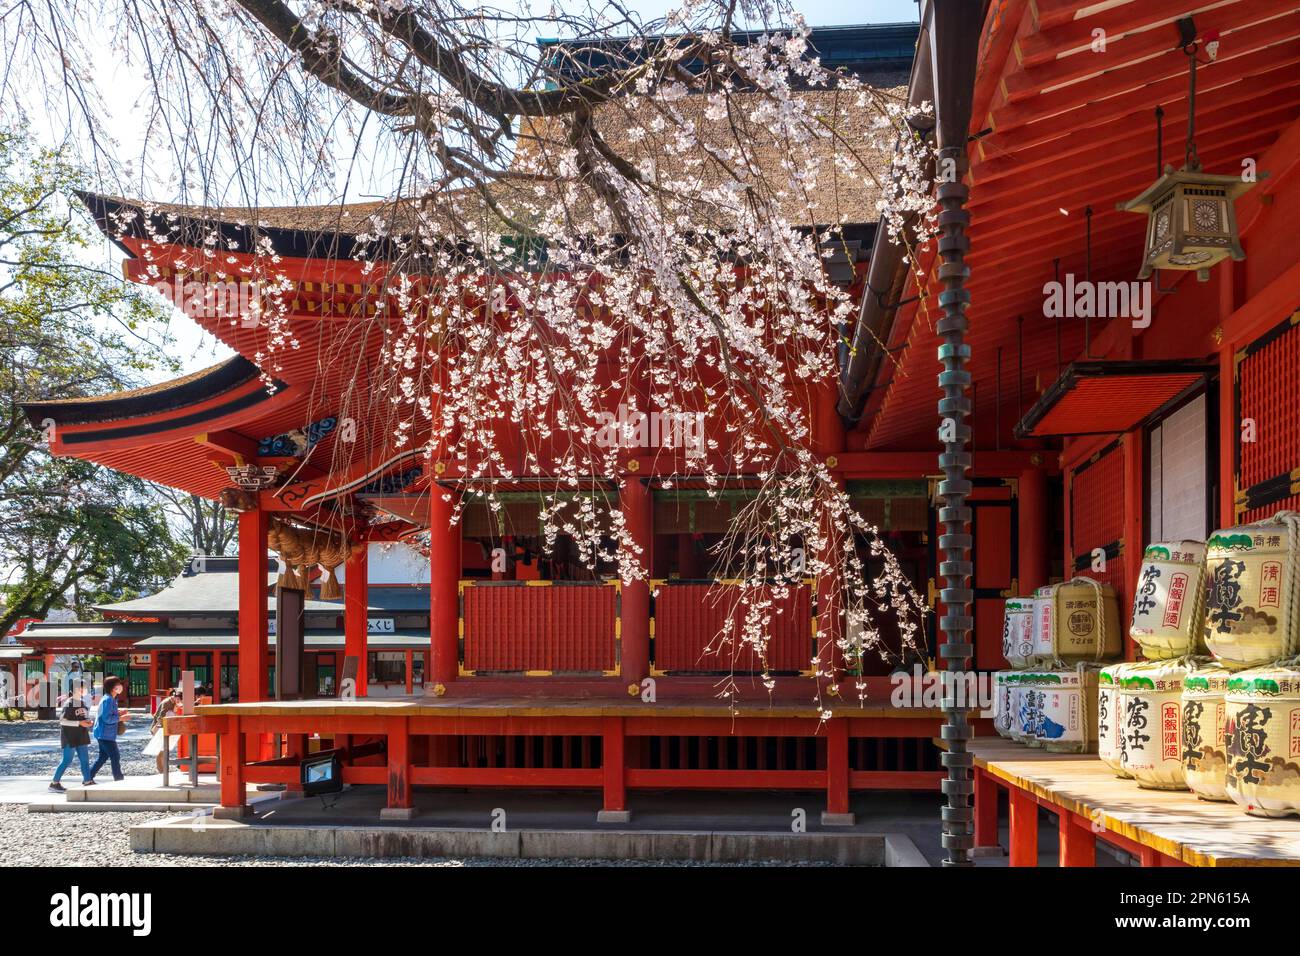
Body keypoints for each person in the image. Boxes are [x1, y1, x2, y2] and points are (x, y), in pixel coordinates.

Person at [48, 681, 94, 793]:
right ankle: (54, 783)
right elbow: (62, 721)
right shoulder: (69, 703)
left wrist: (88, 722)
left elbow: (82, 718)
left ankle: (87, 781)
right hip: (69, 736)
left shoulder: (82, 702)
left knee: (85, 759)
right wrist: (79, 723)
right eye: (82, 688)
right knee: (67, 760)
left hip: (81, 735)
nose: (84, 690)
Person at [87, 675, 129, 782]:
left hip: (103, 733)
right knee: (115, 756)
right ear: (112, 688)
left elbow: (107, 714)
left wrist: (119, 713)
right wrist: (120, 718)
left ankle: (88, 778)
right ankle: (119, 779)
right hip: (105, 734)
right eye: (118, 685)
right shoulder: (108, 700)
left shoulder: (111, 699)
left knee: (103, 757)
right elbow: (106, 718)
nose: (120, 686)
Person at [147, 688, 182, 772]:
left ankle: (164, 769)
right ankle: (162, 770)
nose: (179, 702)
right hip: (160, 727)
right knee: (161, 750)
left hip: (167, 727)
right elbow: (161, 717)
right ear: (175, 697)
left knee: (165, 749)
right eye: (179, 699)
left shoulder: (174, 703)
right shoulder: (167, 702)